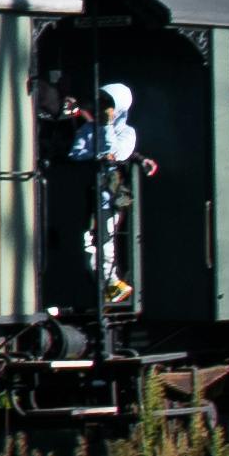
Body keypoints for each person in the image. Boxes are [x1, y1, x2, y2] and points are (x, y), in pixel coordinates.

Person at [52, 78, 152, 336]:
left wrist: (106, 128)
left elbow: (117, 153)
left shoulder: (128, 132)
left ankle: (111, 282)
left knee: (105, 241)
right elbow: (77, 154)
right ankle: (102, 281)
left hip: (109, 197)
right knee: (86, 242)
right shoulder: (87, 129)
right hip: (85, 194)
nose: (102, 108)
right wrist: (96, 152)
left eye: (108, 105)